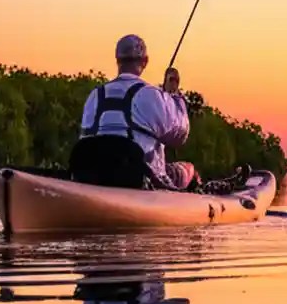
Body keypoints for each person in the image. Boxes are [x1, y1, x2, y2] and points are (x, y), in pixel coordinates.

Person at [71, 34, 198, 191]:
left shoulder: (94, 96)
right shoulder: (152, 95)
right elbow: (180, 136)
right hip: (140, 181)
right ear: (145, 61)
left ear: (117, 60)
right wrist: (173, 95)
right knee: (189, 169)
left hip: (92, 177)